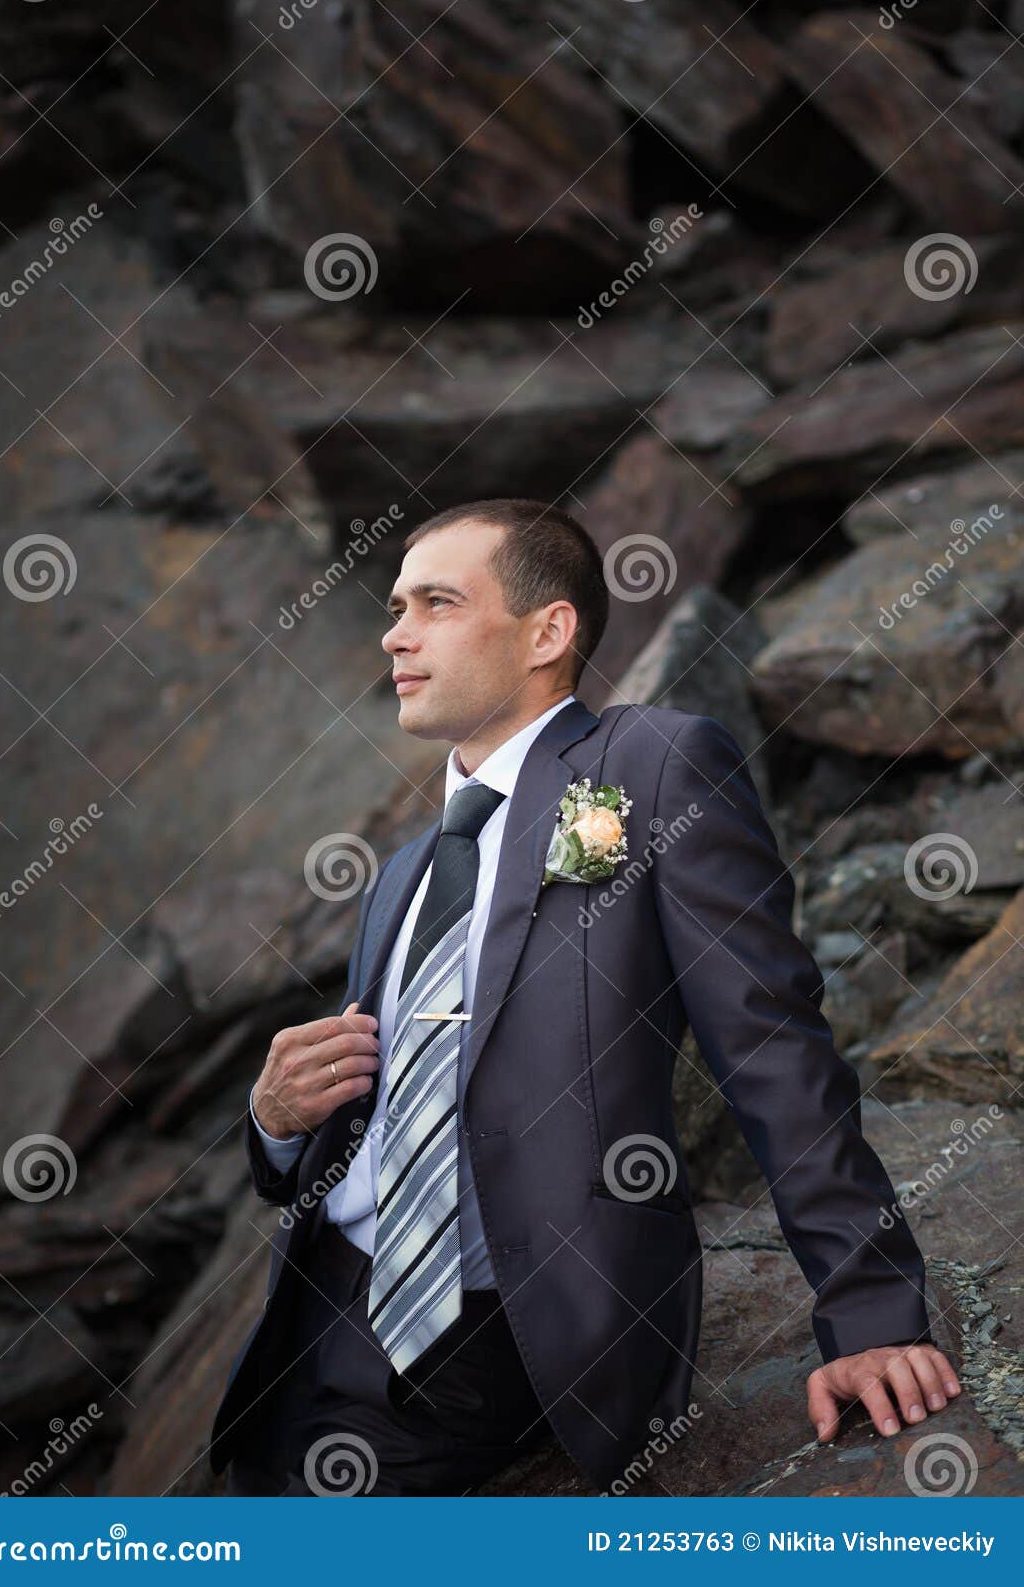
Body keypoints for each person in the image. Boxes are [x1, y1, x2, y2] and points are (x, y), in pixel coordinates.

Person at [210, 498, 958, 1496]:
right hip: (315, 1312)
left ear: (548, 631)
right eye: (394, 606)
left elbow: (772, 1045)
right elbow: (378, 1116)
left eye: (435, 602)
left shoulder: (649, 763)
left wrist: (868, 1310)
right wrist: (275, 1124)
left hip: (493, 1326)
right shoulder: (399, 878)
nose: (394, 632)